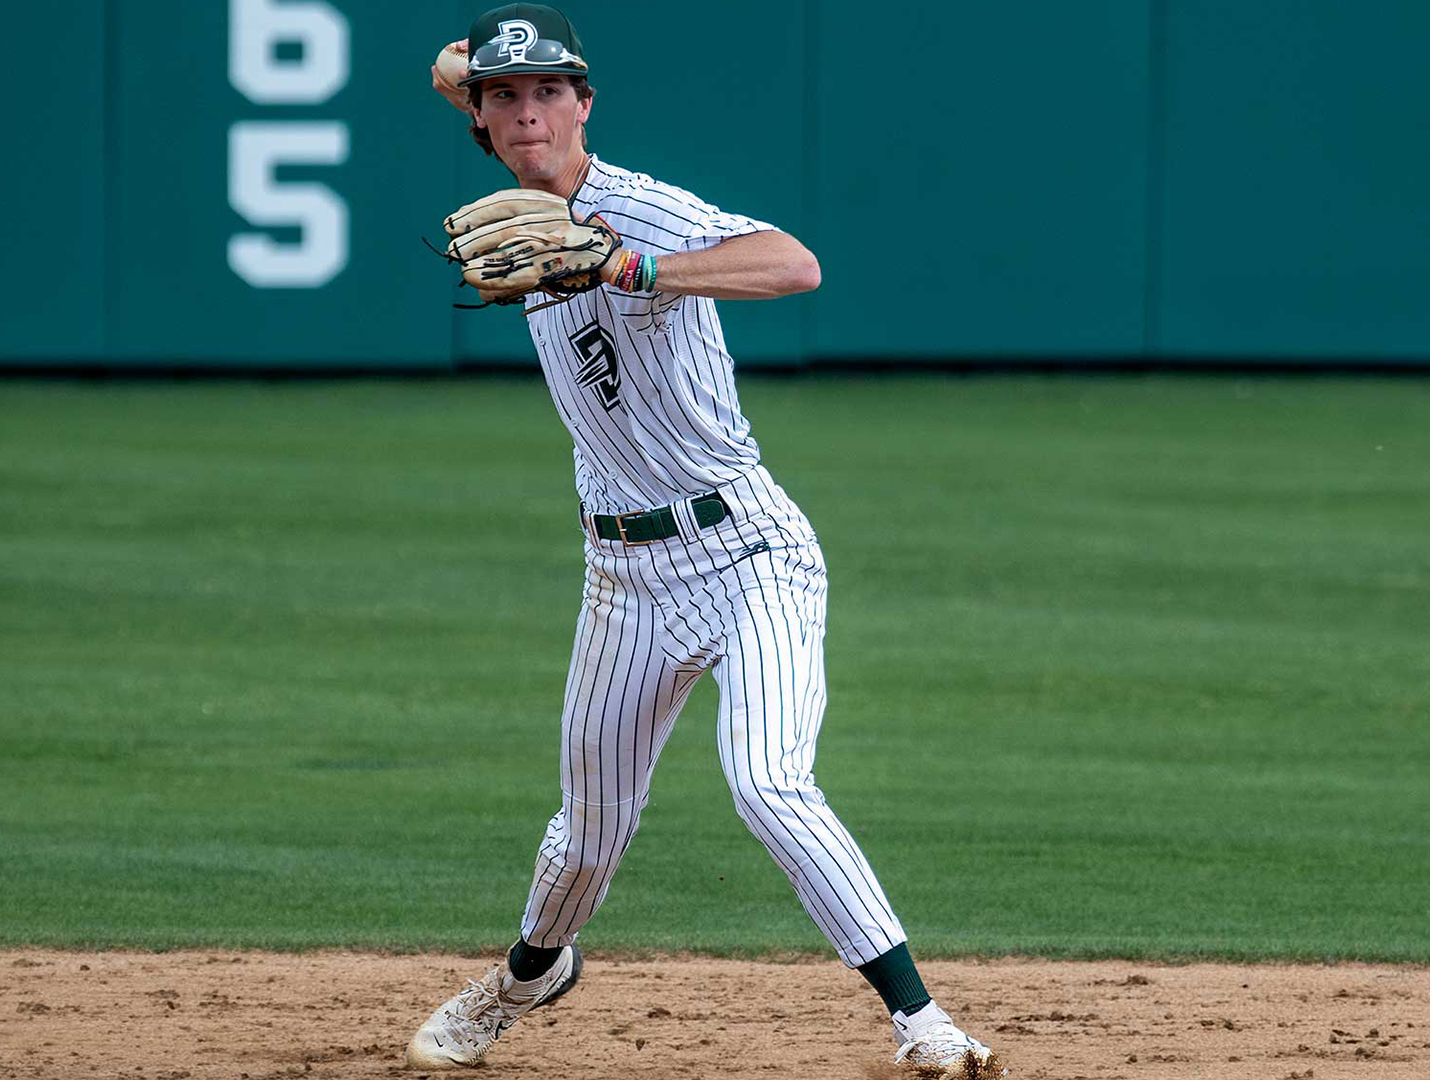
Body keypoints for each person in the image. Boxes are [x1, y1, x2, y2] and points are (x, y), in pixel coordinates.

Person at [406, 5, 1003, 1076]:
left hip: (746, 552)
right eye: (507, 98)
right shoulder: (519, 198)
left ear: (587, 103)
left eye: (551, 92)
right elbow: (476, 88)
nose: (530, 112)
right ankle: (528, 974)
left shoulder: (642, 209)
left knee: (768, 781)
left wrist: (634, 270)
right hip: (621, 581)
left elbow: (794, 264)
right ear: (481, 120)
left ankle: (924, 1023)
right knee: (589, 831)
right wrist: (474, 80)